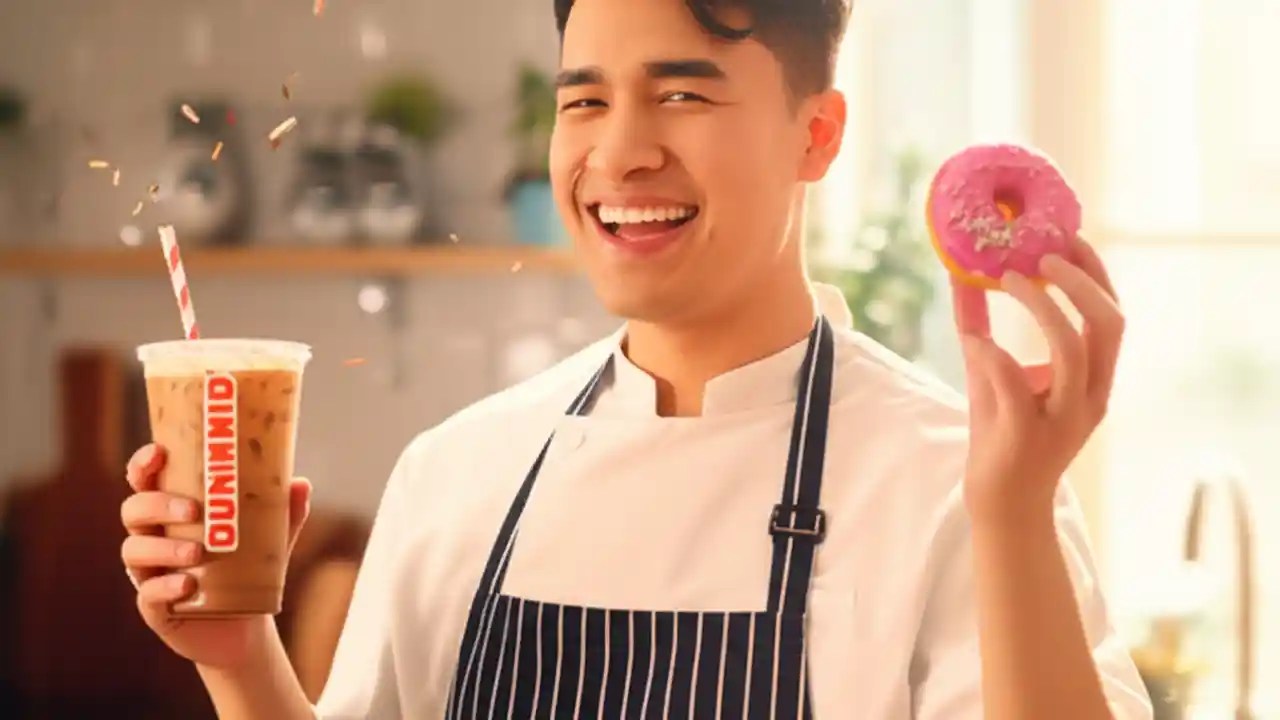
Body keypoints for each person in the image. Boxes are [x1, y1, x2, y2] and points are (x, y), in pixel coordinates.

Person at [119, 0, 1154, 717]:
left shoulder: (958, 483)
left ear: (818, 134)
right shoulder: (457, 472)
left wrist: (1012, 513)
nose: (616, 154)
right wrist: (241, 657)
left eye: (682, 95)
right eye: (581, 101)